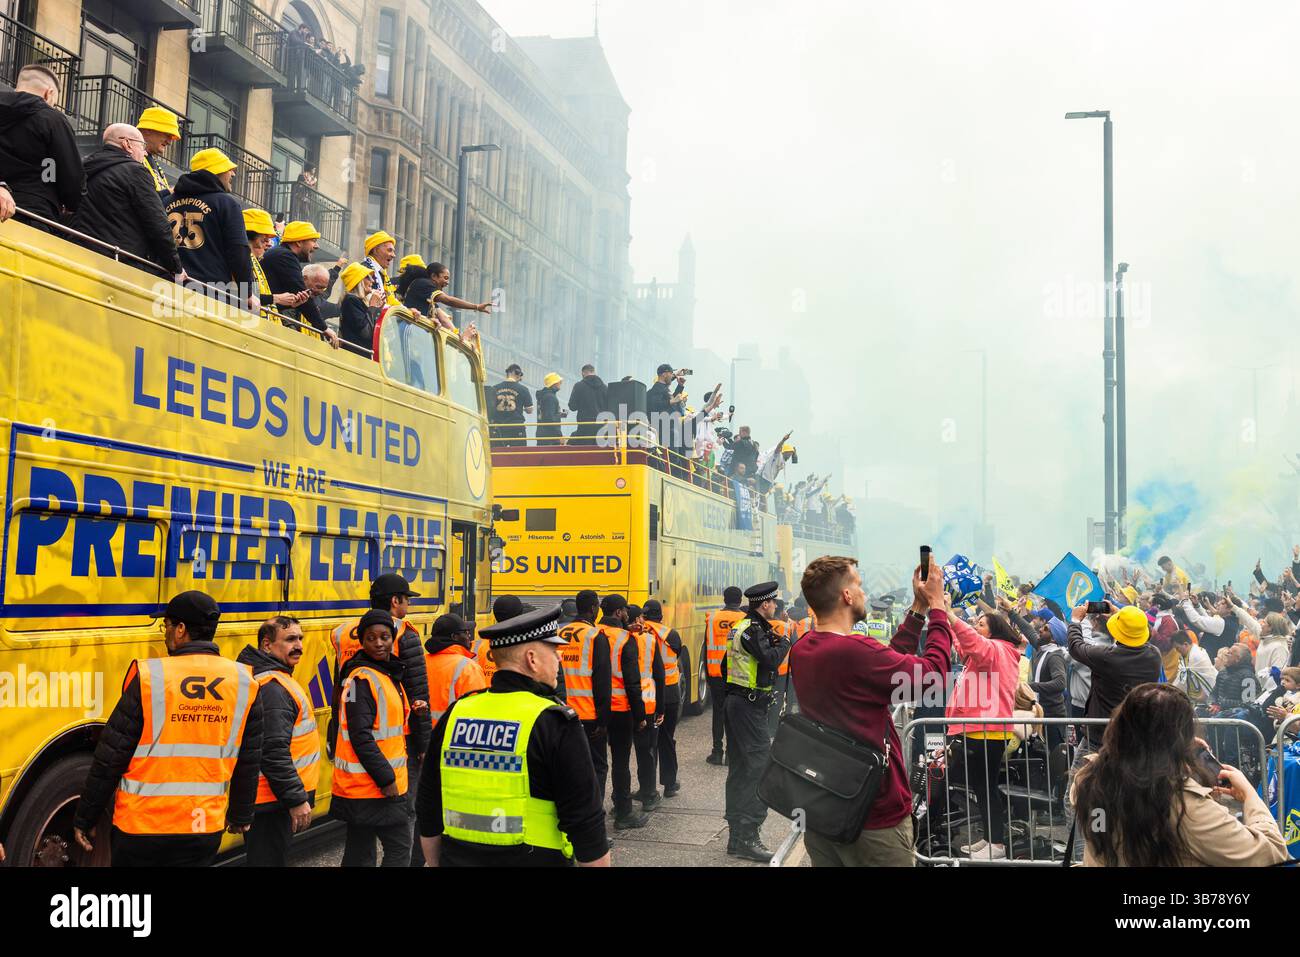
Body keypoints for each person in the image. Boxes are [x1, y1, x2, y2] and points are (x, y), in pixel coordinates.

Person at [72, 592, 263, 866]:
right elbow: (249, 758)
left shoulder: (150, 677)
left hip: (141, 827)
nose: (165, 634)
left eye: (167, 626)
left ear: (181, 630)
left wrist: (86, 817)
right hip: (203, 826)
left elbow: (112, 754)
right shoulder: (244, 682)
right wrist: (241, 814)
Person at [790, 555, 953, 867]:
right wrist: (937, 609)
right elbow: (932, 675)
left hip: (824, 806)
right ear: (847, 596)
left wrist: (917, 610)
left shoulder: (804, 648)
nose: (864, 592)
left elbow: (884, 663)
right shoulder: (854, 652)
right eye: (859, 585)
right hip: (873, 817)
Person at [416, 604, 610, 866]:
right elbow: (586, 822)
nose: (559, 659)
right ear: (531, 658)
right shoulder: (554, 722)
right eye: (553, 650)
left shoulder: (456, 713)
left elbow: (428, 805)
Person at [1071, 683, 1288, 866]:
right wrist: (1250, 795)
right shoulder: (1186, 807)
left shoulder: (1088, 780)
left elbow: (1133, 763)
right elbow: (1270, 853)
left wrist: (1179, 757)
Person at [331, 609, 420, 866]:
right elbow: (361, 736)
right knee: (400, 848)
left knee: (359, 852)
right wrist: (387, 778)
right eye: (371, 638)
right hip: (376, 787)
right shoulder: (361, 679)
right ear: (362, 641)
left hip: (369, 787)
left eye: (384, 637)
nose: (379, 643)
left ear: (393, 638)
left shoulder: (383, 673)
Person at [237, 616, 318, 866]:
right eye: (290, 639)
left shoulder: (272, 678)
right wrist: (296, 799)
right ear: (267, 645)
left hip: (272, 799)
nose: (299, 646)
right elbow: (272, 751)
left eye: (300, 639)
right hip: (271, 803)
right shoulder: (273, 686)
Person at [945, 609, 1023, 860]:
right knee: (981, 787)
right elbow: (964, 643)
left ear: (994, 629)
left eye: (981, 624)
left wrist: (949, 613)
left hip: (987, 731)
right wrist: (948, 619)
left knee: (986, 788)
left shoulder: (997, 650)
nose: (976, 626)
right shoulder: (987, 652)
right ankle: (990, 839)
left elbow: (971, 642)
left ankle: (997, 845)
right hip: (979, 729)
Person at [721, 581, 790, 861]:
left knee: (740, 768)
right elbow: (770, 660)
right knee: (760, 768)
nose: (775, 606)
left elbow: (725, 666)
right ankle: (748, 835)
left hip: (740, 703)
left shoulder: (749, 628)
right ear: (764, 604)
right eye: (773, 603)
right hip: (747, 706)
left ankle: (736, 836)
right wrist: (785, 640)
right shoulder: (751, 630)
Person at [70, 124, 181, 277]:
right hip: (117, 263)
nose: (143, 154)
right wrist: (175, 266)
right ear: (127, 144)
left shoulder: (84, 167)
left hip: (76, 253)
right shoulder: (135, 171)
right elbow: (157, 224)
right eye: (142, 147)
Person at [167, 148, 254, 308]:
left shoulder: (166, 201)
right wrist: (246, 293)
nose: (233, 174)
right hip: (213, 294)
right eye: (229, 170)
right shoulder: (227, 203)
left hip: (167, 289)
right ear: (217, 171)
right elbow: (238, 252)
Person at [0, 65, 83, 227]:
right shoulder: (52, 119)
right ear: (49, 93)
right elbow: (71, 175)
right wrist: (72, 202)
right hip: (32, 213)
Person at [598, 594, 652, 829]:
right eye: (625, 610)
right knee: (620, 762)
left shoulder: (593, 633)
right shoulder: (625, 639)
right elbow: (632, 681)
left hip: (594, 708)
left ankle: (595, 814)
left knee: (597, 764)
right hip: (620, 709)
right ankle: (623, 812)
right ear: (619, 612)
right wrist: (640, 715)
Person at [559, 589, 612, 801]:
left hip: (561, 711)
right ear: (593, 608)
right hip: (588, 715)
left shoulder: (560, 633)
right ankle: (594, 816)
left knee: (569, 767)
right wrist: (603, 720)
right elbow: (602, 681)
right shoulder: (595, 636)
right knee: (597, 766)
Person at [260, 220, 340, 345]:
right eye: (313, 240)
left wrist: (290, 303)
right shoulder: (285, 256)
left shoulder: (281, 254)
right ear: (298, 242)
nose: (316, 246)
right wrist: (324, 328)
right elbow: (302, 296)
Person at [625, 604, 665, 810]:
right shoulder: (649, 640)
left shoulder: (617, 640)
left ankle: (622, 799)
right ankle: (649, 794)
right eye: (640, 617)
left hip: (623, 706)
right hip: (647, 705)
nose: (642, 620)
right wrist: (662, 707)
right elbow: (659, 674)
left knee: (621, 757)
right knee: (646, 752)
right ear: (636, 619)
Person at [642, 599, 683, 797]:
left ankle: (647, 788)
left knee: (649, 741)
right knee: (667, 738)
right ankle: (669, 784)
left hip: (647, 692)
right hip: (669, 691)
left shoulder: (637, 632)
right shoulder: (671, 635)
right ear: (661, 615)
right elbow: (677, 654)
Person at [704, 586, 745, 765]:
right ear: (740, 600)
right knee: (735, 714)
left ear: (724, 598)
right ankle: (731, 754)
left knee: (718, 713)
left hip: (715, 674)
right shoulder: (745, 619)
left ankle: (717, 752)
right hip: (738, 674)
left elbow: (706, 645)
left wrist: (706, 670)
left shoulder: (712, 618)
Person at [244, 208, 308, 321]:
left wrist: (288, 303)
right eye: (265, 239)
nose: (269, 243)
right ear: (253, 236)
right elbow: (241, 295)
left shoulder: (254, 262)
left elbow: (257, 299)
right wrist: (276, 298)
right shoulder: (242, 259)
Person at [401, 260, 492, 328]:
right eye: (445, 278)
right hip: (408, 327)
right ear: (434, 276)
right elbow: (448, 300)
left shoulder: (427, 290)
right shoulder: (425, 284)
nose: (447, 282)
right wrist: (476, 306)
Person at [1027, 615, 1069, 750]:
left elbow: (1060, 683)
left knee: (1055, 760)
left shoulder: (1054, 656)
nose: (1040, 630)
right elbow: (1029, 631)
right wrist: (1011, 612)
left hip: (1052, 718)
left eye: (1046, 629)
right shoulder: (1043, 648)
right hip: (1042, 714)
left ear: (1053, 638)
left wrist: (1030, 686)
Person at [135, 106, 181, 203]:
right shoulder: (130, 157)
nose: (169, 142)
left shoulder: (151, 160)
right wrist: (170, 192)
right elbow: (142, 200)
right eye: (167, 135)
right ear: (148, 130)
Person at [337, 261, 379, 354]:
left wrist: (379, 308)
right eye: (368, 277)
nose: (372, 281)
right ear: (359, 281)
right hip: (355, 356)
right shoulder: (351, 300)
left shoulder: (358, 302)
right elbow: (366, 333)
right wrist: (373, 306)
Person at [488, 364, 534, 448]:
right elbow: (530, 410)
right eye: (520, 376)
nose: (521, 379)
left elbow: (490, 407)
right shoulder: (523, 389)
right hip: (516, 428)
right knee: (519, 455)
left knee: (498, 454)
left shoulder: (495, 388)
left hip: (498, 428)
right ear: (517, 373)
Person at [1170, 630, 1218, 705]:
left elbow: (1209, 677)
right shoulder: (1185, 655)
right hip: (1192, 696)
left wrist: (1203, 696)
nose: (1177, 651)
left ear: (1185, 644)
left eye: (1177, 648)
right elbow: (1182, 676)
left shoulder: (1197, 656)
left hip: (1202, 698)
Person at [568, 364, 608, 445]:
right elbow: (609, 407)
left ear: (583, 373)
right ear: (594, 372)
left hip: (584, 426)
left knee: (584, 452)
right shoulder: (604, 387)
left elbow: (572, 406)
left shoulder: (579, 386)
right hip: (601, 427)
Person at [359, 230, 399, 307]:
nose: (394, 255)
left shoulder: (382, 273)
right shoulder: (364, 270)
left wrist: (408, 311)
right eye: (389, 250)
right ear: (376, 250)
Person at [536, 373, 566, 446]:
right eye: (559, 382)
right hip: (550, 437)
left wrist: (560, 414)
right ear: (554, 384)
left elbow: (547, 414)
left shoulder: (544, 396)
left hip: (542, 434)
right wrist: (559, 436)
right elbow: (550, 419)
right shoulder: (550, 397)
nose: (560, 384)